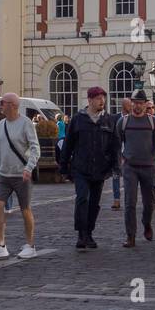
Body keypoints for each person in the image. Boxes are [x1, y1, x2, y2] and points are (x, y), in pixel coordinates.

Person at [60, 86, 118, 250]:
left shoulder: (108, 120)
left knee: (94, 203)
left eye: (103, 98)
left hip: (100, 168)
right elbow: (68, 144)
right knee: (82, 199)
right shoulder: (78, 119)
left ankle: (89, 233)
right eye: (98, 98)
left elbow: (114, 146)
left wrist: (115, 166)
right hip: (81, 167)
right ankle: (81, 234)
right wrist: (64, 166)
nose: (102, 101)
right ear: (90, 100)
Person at [0, 92, 41, 259]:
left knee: (25, 209)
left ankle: (30, 245)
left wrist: (29, 167)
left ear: (12, 105)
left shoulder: (26, 123)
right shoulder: (1, 124)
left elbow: (35, 148)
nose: (0, 106)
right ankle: (1, 244)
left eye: (2, 102)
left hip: (21, 175)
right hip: (4, 174)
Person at [118, 90, 155, 247]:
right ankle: (130, 235)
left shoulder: (153, 122)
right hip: (130, 167)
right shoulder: (123, 122)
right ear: (131, 103)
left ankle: (147, 223)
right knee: (129, 202)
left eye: (140, 103)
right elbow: (117, 142)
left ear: (145, 104)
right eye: (135, 103)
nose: (137, 106)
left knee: (148, 203)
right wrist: (121, 159)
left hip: (148, 167)